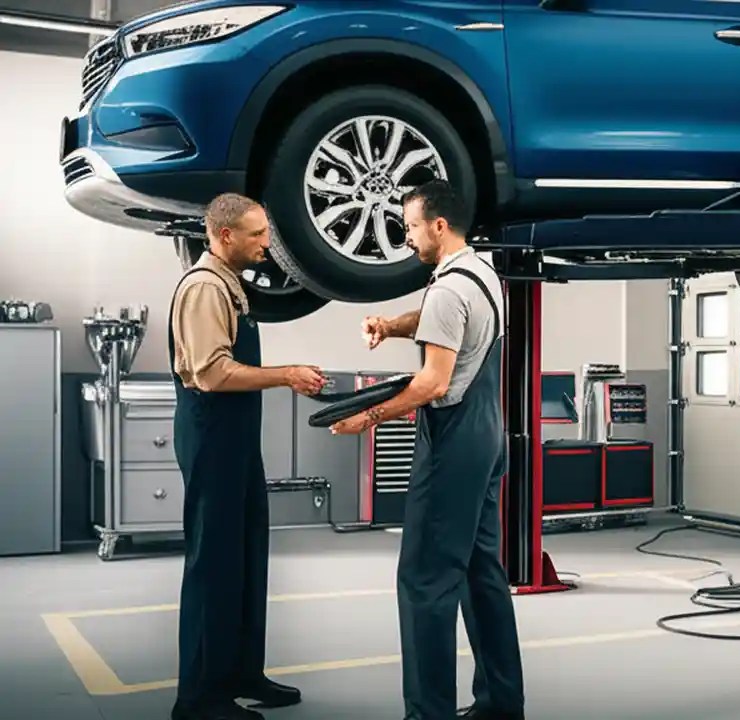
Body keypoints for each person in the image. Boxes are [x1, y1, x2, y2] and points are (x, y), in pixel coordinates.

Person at [330, 179, 525, 720]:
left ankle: (428, 713)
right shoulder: (480, 271)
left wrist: (365, 418)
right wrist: (391, 325)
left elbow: (432, 384)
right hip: (489, 435)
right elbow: (444, 323)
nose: (407, 235)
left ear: (438, 225)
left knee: (425, 580)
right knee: (482, 573)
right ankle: (501, 704)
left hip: (453, 440)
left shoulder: (444, 288)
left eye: (411, 225)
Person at [168, 193, 326, 720]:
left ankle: (239, 672)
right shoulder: (204, 288)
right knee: (212, 563)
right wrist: (285, 374)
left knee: (245, 554)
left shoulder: (232, 285)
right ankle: (198, 698)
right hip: (213, 438)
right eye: (258, 235)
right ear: (225, 235)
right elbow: (212, 374)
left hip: (235, 440)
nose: (267, 243)